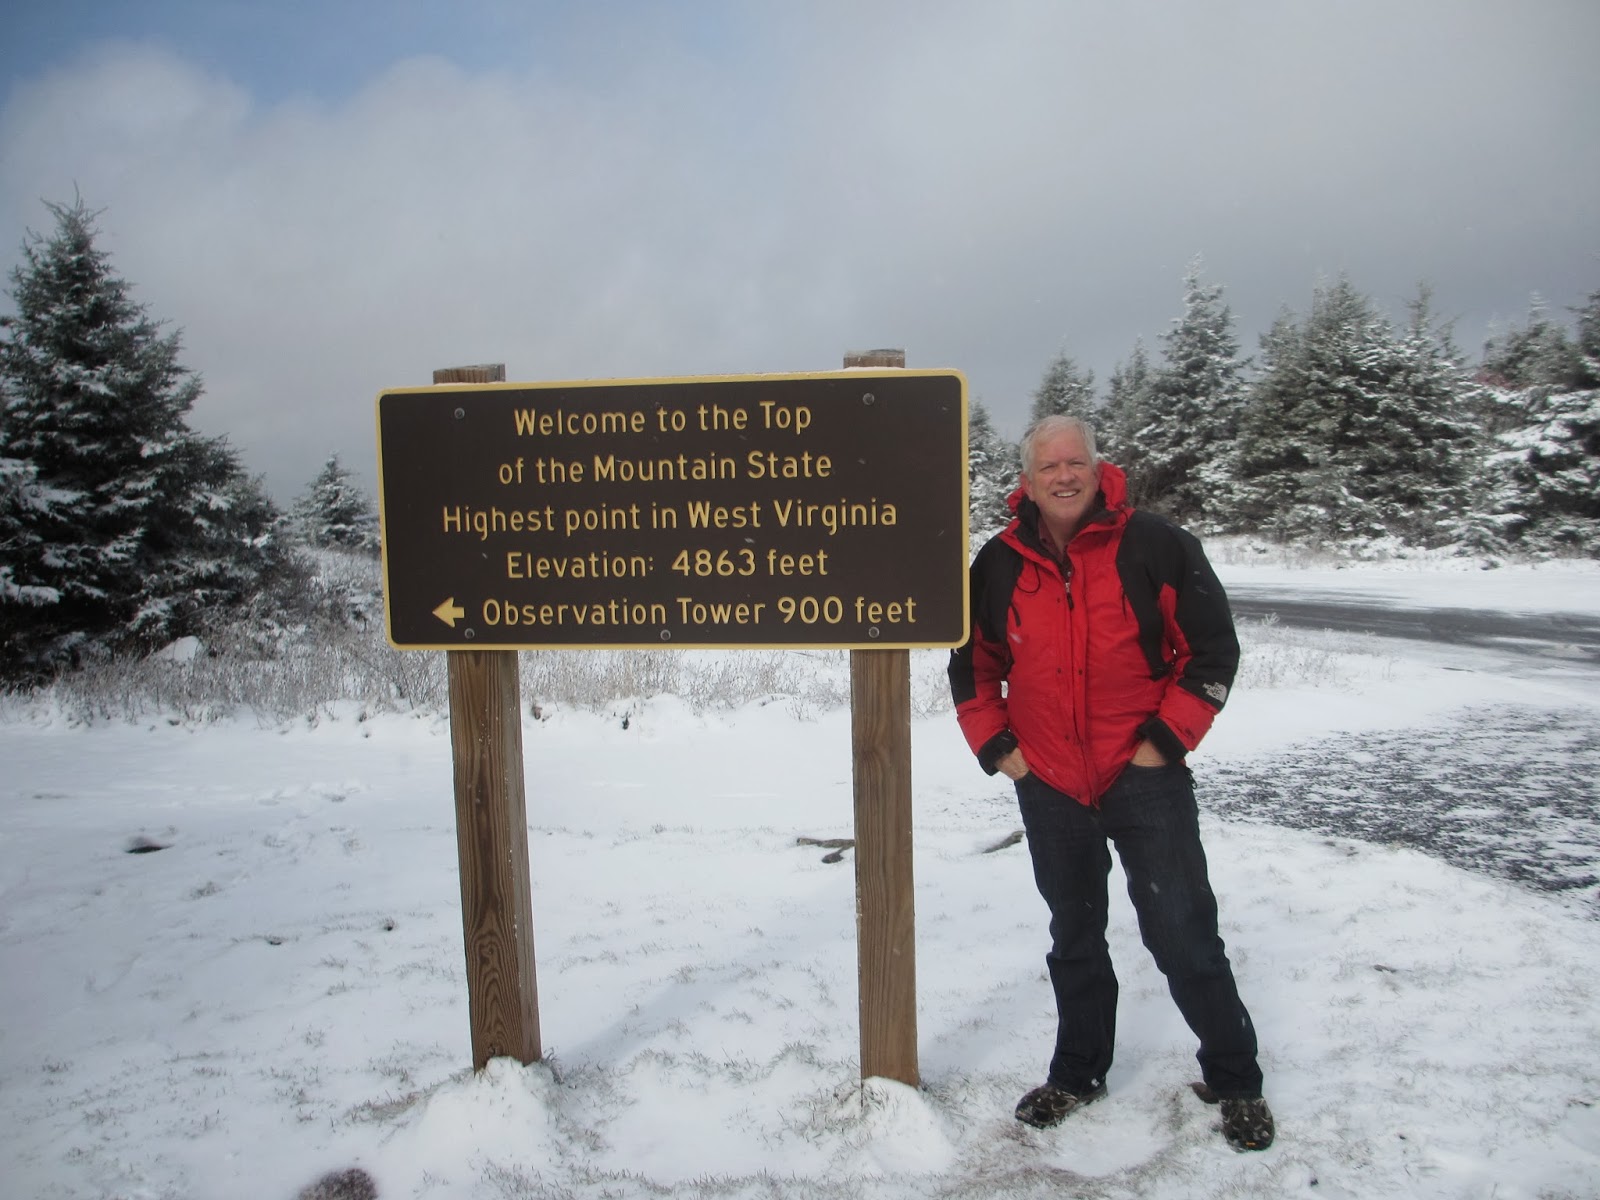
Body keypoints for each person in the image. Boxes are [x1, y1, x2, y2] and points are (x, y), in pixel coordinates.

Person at [947, 414, 1274, 1152]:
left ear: (1099, 469)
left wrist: (1164, 745)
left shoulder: (1156, 545)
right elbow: (975, 666)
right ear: (1024, 482)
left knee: (1184, 935)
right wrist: (1001, 749)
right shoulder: (998, 562)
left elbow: (1212, 654)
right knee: (1075, 938)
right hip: (1051, 782)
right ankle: (1077, 1074)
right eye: (1047, 467)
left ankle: (1235, 1080)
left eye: (1075, 463)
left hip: (1144, 775)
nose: (1063, 476)